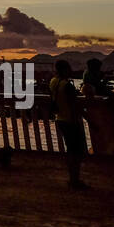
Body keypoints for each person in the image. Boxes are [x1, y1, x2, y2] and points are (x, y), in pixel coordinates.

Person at [49, 60, 87, 190]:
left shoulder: (53, 82)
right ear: (64, 69)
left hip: (60, 119)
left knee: (71, 150)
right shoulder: (67, 86)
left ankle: (73, 179)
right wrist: (90, 121)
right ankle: (74, 179)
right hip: (71, 121)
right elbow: (75, 105)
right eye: (68, 68)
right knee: (76, 152)